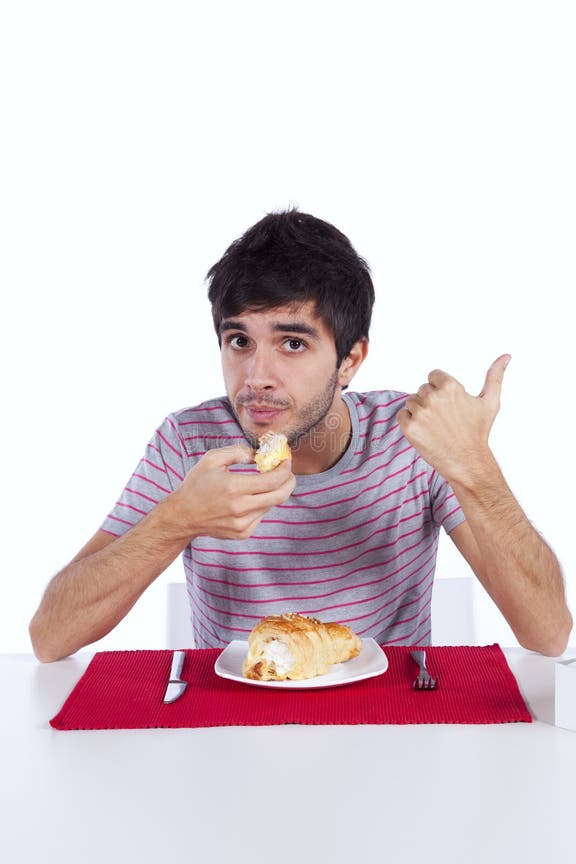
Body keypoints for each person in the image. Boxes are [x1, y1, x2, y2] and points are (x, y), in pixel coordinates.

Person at [29, 209, 572, 661]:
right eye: (239, 340)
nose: (256, 376)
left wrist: (475, 464)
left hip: (393, 736)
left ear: (351, 359)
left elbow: (548, 634)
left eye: (292, 344)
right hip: (235, 735)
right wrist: (177, 520)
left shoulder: (411, 439)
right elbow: (49, 639)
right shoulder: (188, 442)